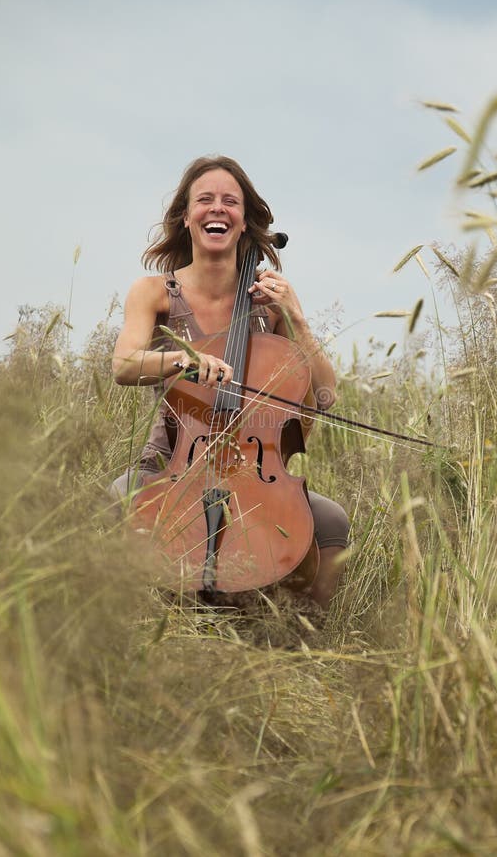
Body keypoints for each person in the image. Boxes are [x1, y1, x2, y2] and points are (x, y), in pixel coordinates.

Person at [111, 155, 349, 607]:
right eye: (205, 200)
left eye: (230, 202)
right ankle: (123, 626)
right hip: (170, 462)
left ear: (243, 222)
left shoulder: (268, 305)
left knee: (331, 521)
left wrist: (296, 317)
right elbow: (124, 365)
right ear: (187, 216)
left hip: (252, 469)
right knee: (115, 501)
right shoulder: (155, 293)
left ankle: (302, 644)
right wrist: (182, 360)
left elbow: (325, 393)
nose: (217, 208)